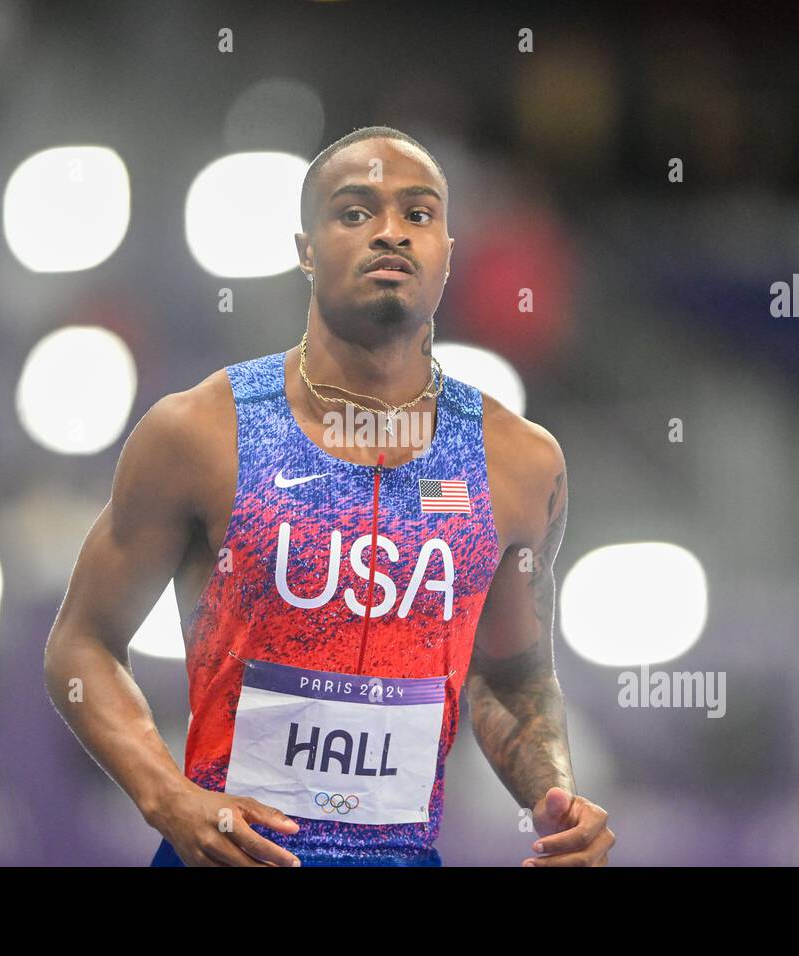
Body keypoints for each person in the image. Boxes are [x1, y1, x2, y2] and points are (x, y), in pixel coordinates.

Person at [44, 125, 614, 867]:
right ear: (305, 249)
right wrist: (168, 796)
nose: (389, 233)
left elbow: (510, 677)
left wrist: (557, 801)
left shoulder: (520, 463)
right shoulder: (200, 433)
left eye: (418, 214)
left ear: (449, 253)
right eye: (354, 212)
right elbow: (79, 644)